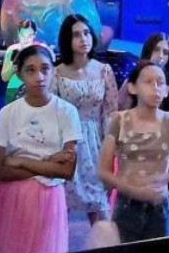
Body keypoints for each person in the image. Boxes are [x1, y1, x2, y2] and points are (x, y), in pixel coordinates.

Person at [0, 44, 81, 253]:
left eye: (45, 69)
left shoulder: (67, 112)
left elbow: (66, 170)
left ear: (53, 71)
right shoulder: (8, 113)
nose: (39, 77)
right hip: (9, 198)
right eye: (31, 70)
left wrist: (18, 160)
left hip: (47, 200)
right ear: (20, 74)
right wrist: (47, 163)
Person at [98, 60, 169, 242]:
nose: (155, 87)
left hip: (158, 205)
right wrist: (130, 187)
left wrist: (162, 179)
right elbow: (103, 171)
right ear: (132, 87)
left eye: (160, 82)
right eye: (148, 82)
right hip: (126, 205)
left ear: (167, 90)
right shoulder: (119, 120)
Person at [118, 32, 169, 234]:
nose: (161, 56)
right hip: (136, 152)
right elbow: (120, 110)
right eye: (156, 50)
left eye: (166, 52)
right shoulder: (131, 83)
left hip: (166, 152)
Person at [50, 13, 118, 225]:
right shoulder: (56, 73)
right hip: (66, 146)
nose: (83, 39)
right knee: (60, 210)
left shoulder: (104, 71)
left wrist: (112, 150)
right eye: (76, 35)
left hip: (96, 146)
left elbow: (111, 114)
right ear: (67, 40)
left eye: (86, 33)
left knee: (100, 209)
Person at [0, 19, 41, 103]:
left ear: (34, 35)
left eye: (29, 36)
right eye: (22, 36)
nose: (26, 40)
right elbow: (4, 78)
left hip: (34, 88)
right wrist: (13, 66)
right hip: (14, 87)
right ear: (18, 34)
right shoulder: (12, 49)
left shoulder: (39, 50)